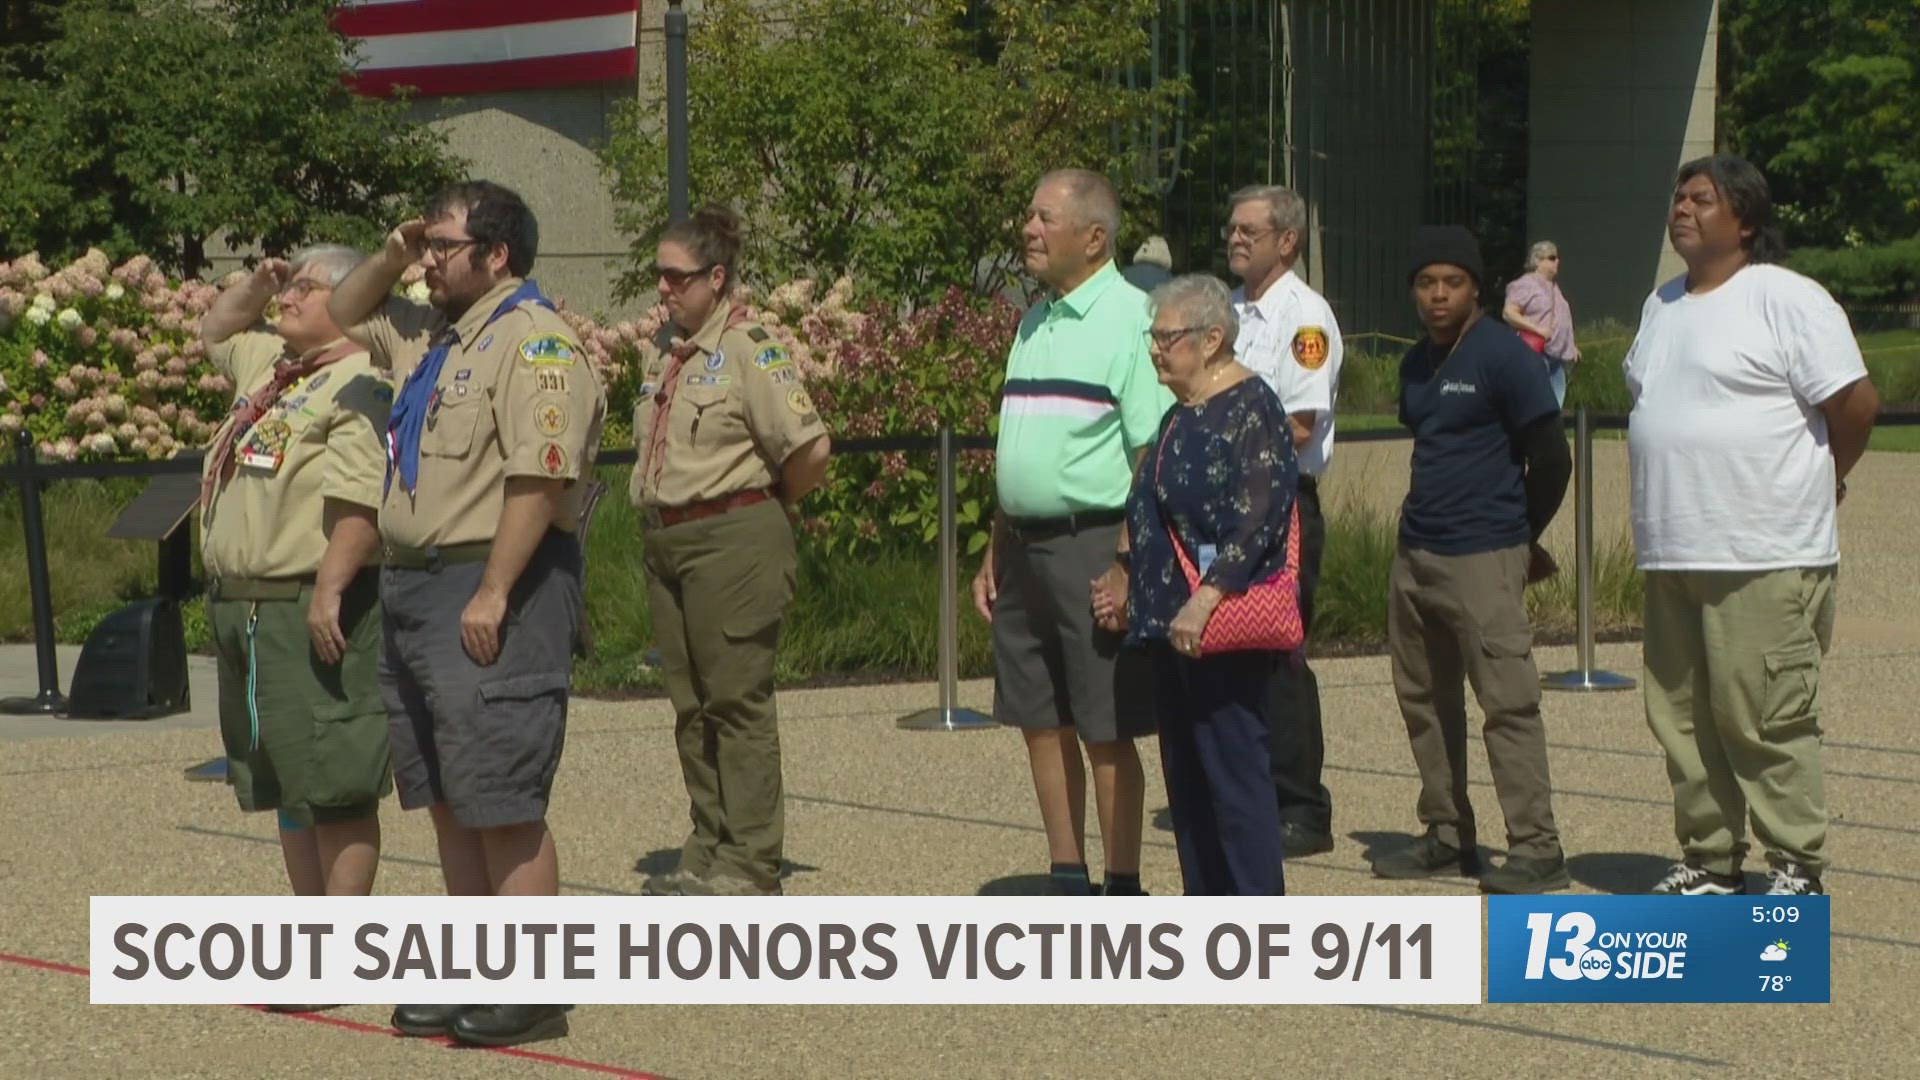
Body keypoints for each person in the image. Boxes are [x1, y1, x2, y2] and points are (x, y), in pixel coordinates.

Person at [328, 180, 606, 1047]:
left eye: (446, 246)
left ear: (499, 256)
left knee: (503, 798)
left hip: (490, 582)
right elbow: (345, 308)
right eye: (431, 245)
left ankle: (533, 989)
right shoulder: (437, 337)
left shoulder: (534, 344)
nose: (431, 259)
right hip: (416, 584)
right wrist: (393, 251)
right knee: (449, 797)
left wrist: (494, 589)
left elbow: (540, 475)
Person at [1628, 155, 1879, 897]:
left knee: (1763, 716)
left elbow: (1854, 406)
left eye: (1702, 200)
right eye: (1678, 197)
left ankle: (1796, 864)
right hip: (1673, 548)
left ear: (1745, 220)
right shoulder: (1662, 304)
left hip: (1766, 549)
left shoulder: (1786, 298)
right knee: (1682, 719)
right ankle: (1709, 858)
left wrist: (1831, 477)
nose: (1683, 209)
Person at [971, 168, 1171, 897]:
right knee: (1039, 715)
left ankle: (1121, 883)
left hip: (1094, 543)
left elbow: (1149, 456)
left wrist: (1124, 560)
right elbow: (1017, 442)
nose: (1028, 229)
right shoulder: (1035, 319)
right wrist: (994, 549)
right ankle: (1066, 871)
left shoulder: (1132, 320)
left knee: (1104, 720)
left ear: (1094, 237)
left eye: (1044, 218)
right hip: (1022, 546)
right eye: (1028, 215)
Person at [629, 205, 832, 898]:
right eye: (659, 276)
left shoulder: (751, 347)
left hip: (734, 535)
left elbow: (809, 449)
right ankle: (708, 842)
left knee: (736, 699)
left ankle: (750, 861)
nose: (663, 289)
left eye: (676, 277)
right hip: (668, 538)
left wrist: (761, 510)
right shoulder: (665, 348)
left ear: (716, 278)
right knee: (690, 702)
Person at [197, 247, 391, 946]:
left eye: (306, 288)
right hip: (243, 605)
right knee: (283, 780)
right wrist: (260, 283)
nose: (288, 298)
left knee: (333, 783)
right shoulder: (274, 374)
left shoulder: (358, 380)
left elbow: (361, 506)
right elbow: (213, 332)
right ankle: (312, 936)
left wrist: (330, 592)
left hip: (305, 598)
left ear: (349, 304)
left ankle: (338, 946)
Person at [1372, 225, 1573, 895]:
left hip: (1484, 553)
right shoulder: (1416, 364)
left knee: (1508, 704)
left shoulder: (1503, 356)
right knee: (1424, 701)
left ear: (1475, 288)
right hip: (1417, 552)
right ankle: (1447, 834)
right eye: (1426, 283)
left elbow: (1550, 459)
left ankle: (1537, 848)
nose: (1437, 295)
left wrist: (1519, 538)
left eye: (1451, 282)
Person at [1092, 274, 1297, 895]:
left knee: (1233, 772)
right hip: (1168, 622)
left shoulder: (1251, 406)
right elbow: (1149, 502)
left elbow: (1261, 515)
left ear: (1213, 338)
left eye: (1168, 337)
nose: (1156, 349)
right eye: (1152, 337)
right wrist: (1128, 576)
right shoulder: (1181, 411)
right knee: (1187, 774)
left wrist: (1207, 598)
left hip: (1219, 618)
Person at [1224, 183, 1342, 859]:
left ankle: (1302, 806)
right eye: (1232, 229)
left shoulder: (1304, 319)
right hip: (1226, 502)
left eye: (1251, 230)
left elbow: (1299, 424)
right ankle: (1246, 794)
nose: (1236, 239)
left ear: (1287, 240)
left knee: (1280, 654)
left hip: (1279, 500)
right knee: (1229, 656)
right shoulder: (1226, 311)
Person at [1502, 241, 1581, 406]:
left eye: (1558, 258)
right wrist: (1537, 329)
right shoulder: (1526, 284)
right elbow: (1509, 313)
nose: (1557, 261)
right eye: (1552, 258)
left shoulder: (1554, 287)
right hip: (1535, 354)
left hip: (1556, 358)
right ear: (1537, 261)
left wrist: (1571, 346)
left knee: (1554, 408)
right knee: (1535, 405)